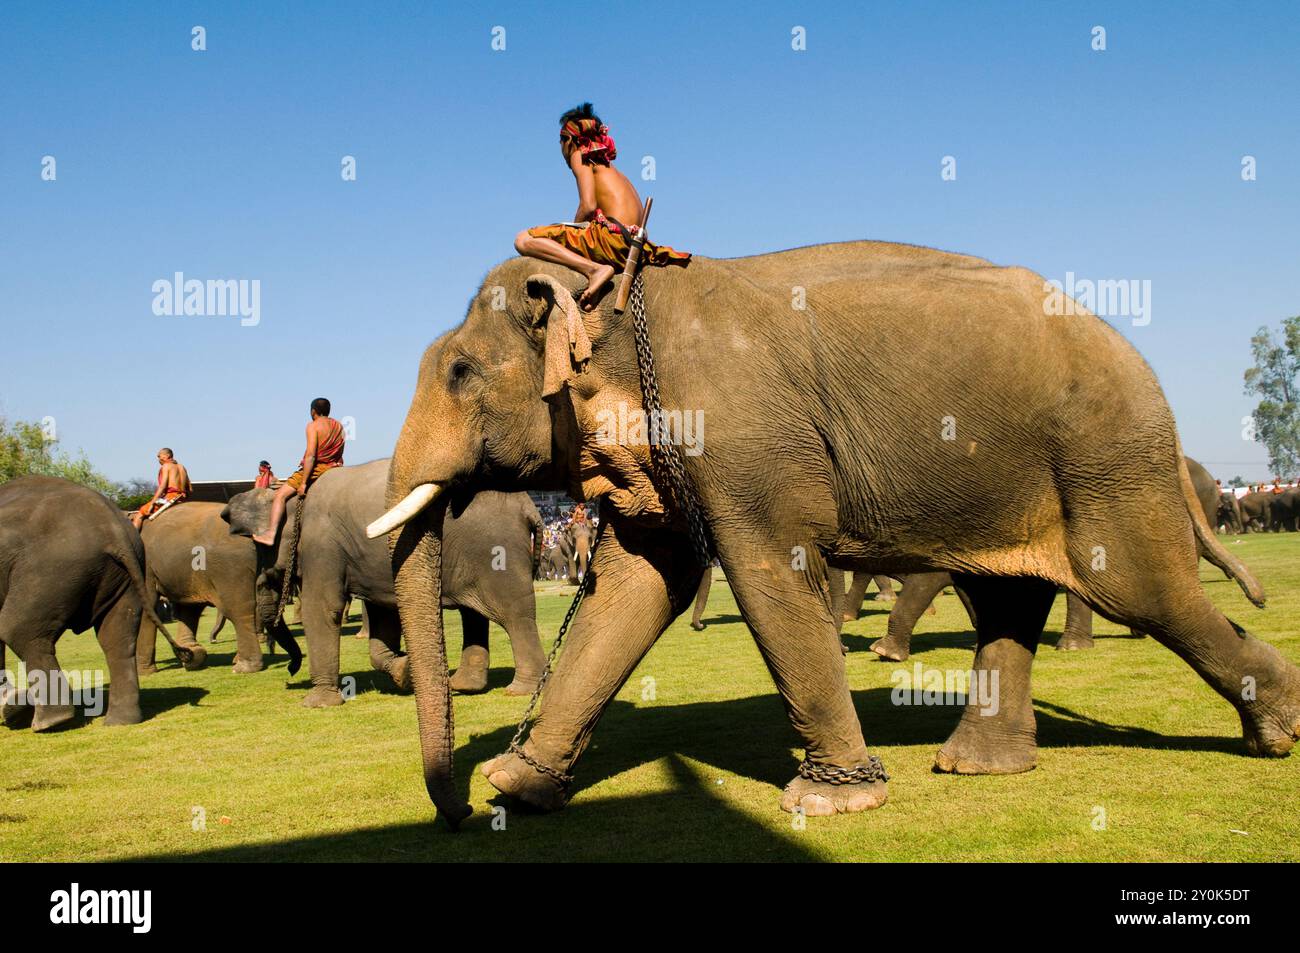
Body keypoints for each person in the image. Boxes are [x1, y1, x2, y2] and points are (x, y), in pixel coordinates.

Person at [513, 103, 691, 310]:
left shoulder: (579, 155)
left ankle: (593, 270)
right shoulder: (611, 169)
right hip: (633, 246)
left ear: (569, 140)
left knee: (523, 239)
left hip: (611, 241)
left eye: (560, 141)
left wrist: (572, 231)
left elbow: (588, 206)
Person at [252, 398, 345, 545]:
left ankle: (270, 534)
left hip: (317, 468)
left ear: (313, 411)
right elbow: (340, 450)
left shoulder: (312, 426)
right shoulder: (339, 426)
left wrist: (303, 483)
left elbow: (311, 455)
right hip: (334, 466)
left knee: (279, 496)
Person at [131, 448, 191, 529]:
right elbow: (190, 489)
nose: (159, 459)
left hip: (170, 497)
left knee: (140, 513)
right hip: (182, 498)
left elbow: (162, 487)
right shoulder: (182, 467)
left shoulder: (166, 466)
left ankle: (134, 539)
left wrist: (152, 502)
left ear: (168, 455)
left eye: (160, 456)